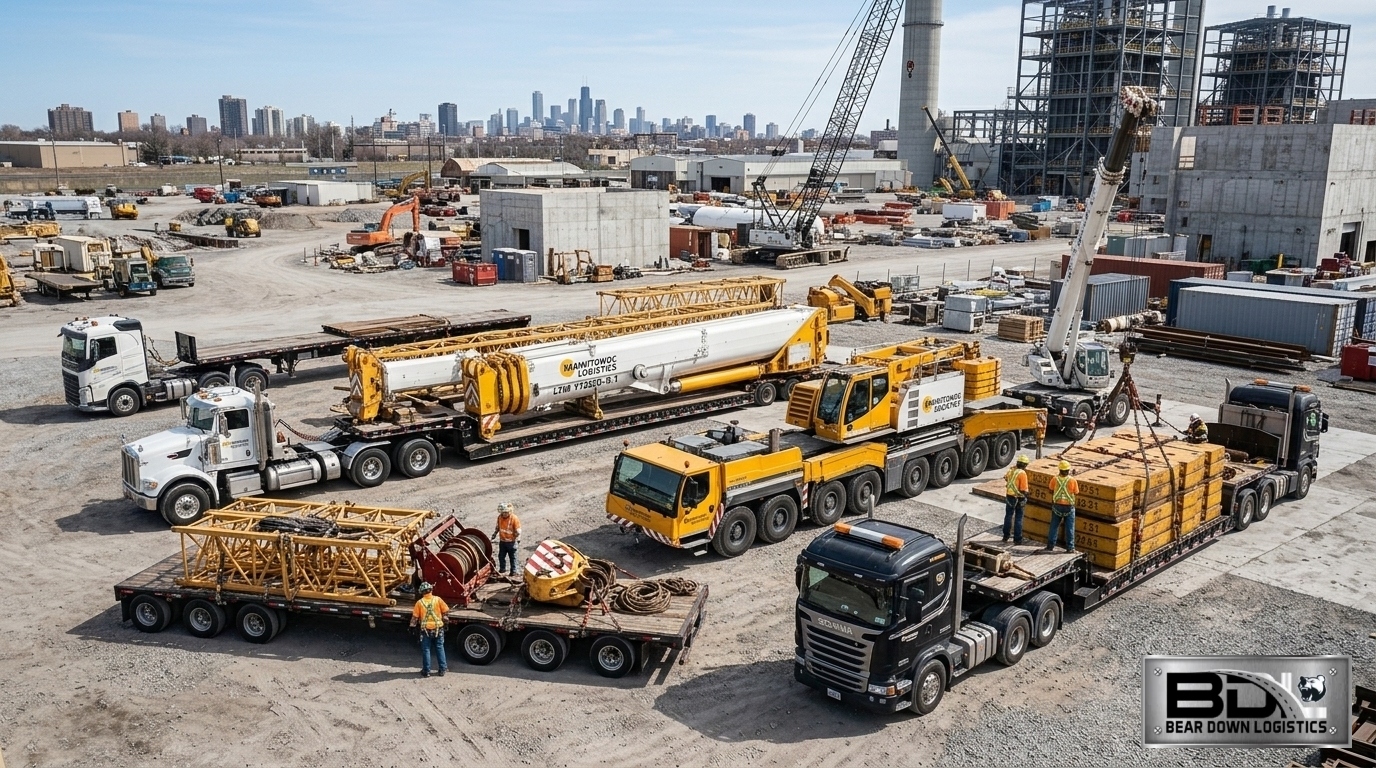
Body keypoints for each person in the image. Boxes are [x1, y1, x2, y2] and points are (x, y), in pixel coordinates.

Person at [409, 582, 448, 677]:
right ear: (431, 590)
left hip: (425, 630)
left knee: (426, 649)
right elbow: (446, 612)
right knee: (439, 647)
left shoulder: (419, 603)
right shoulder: (437, 599)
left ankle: (426, 671)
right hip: (438, 629)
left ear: (421, 592)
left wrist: (411, 627)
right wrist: (446, 623)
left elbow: (415, 618)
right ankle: (442, 669)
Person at [1044, 459, 1078, 553]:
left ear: (1059, 470)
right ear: (1068, 470)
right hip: (1069, 507)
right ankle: (1070, 548)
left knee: (1054, 526)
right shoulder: (1072, 480)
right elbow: (1076, 492)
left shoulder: (1055, 479)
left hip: (1057, 506)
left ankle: (1050, 546)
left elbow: (1050, 490)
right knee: (1069, 528)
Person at [1002, 455, 1030, 545]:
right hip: (1019, 497)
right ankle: (1017, 539)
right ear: (1025, 465)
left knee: (1008, 516)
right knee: (1018, 518)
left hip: (1010, 496)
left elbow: (1006, 478)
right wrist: (1028, 495)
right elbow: (1023, 489)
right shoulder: (1022, 473)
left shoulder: (1011, 470)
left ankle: (1006, 536)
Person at [493, 502, 521, 577]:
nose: (504, 514)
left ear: (509, 511)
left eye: (506, 512)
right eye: (503, 512)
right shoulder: (500, 517)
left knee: (513, 557)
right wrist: (494, 534)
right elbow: (498, 527)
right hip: (503, 542)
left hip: (512, 542)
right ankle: (502, 569)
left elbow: (518, 530)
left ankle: (514, 571)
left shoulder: (514, 518)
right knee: (501, 556)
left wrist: (516, 537)